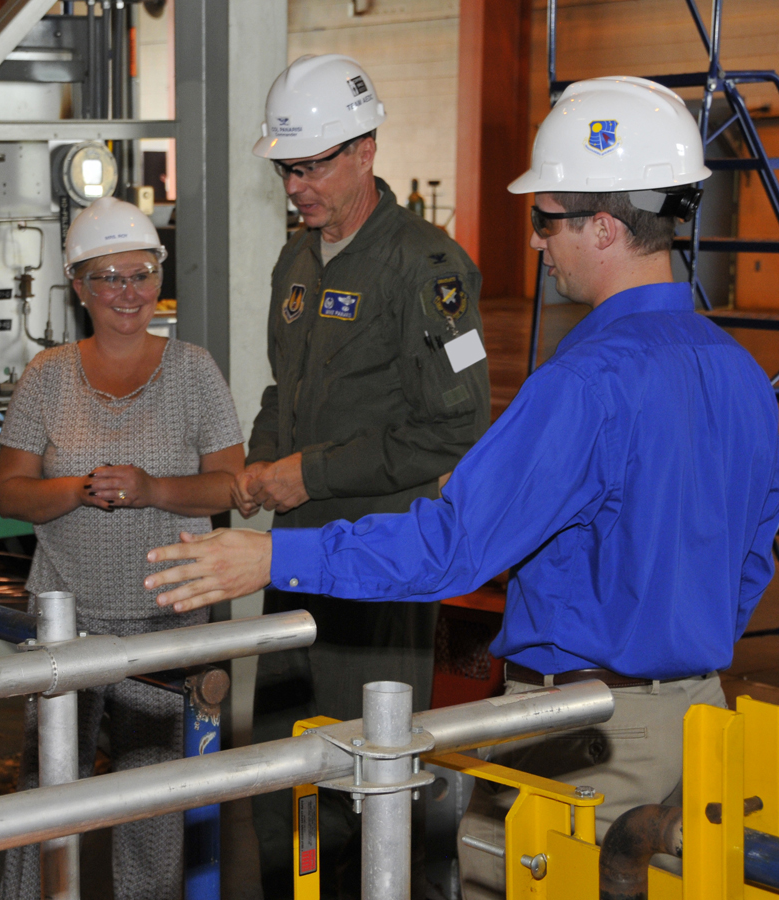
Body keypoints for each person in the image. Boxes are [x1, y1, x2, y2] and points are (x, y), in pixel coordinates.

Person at [144, 76, 779, 899]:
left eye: (544, 220)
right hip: (697, 726)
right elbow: (748, 563)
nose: (536, 244)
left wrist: (272, 556)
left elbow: (451, 546)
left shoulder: (585, 382)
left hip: (583, 740)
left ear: (601, 224)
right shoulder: (738, 373)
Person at [242, 53, 491, 895]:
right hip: (293, 555)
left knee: (371, 771)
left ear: (364, 150)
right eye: (286, 168)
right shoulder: (297, 263)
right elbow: (285, 385)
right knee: (284, 765)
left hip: (381, 559)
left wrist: (307, 473)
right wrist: (259, 460)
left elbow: (453, 428)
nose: (295, 187)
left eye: (311, 166)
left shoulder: (427, 270)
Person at [0, 196, 246, 900]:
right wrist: (75, 488)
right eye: (108, 277)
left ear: (158, 277)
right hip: (63, 620)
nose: (127, 293)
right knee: (46, 797)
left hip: (167, 619)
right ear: (78, 285)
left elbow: (230, 483)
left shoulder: (193, 371)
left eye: (139, 275)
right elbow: (11, 493)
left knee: (154, 809)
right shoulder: (45, 376)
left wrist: (151, 489)